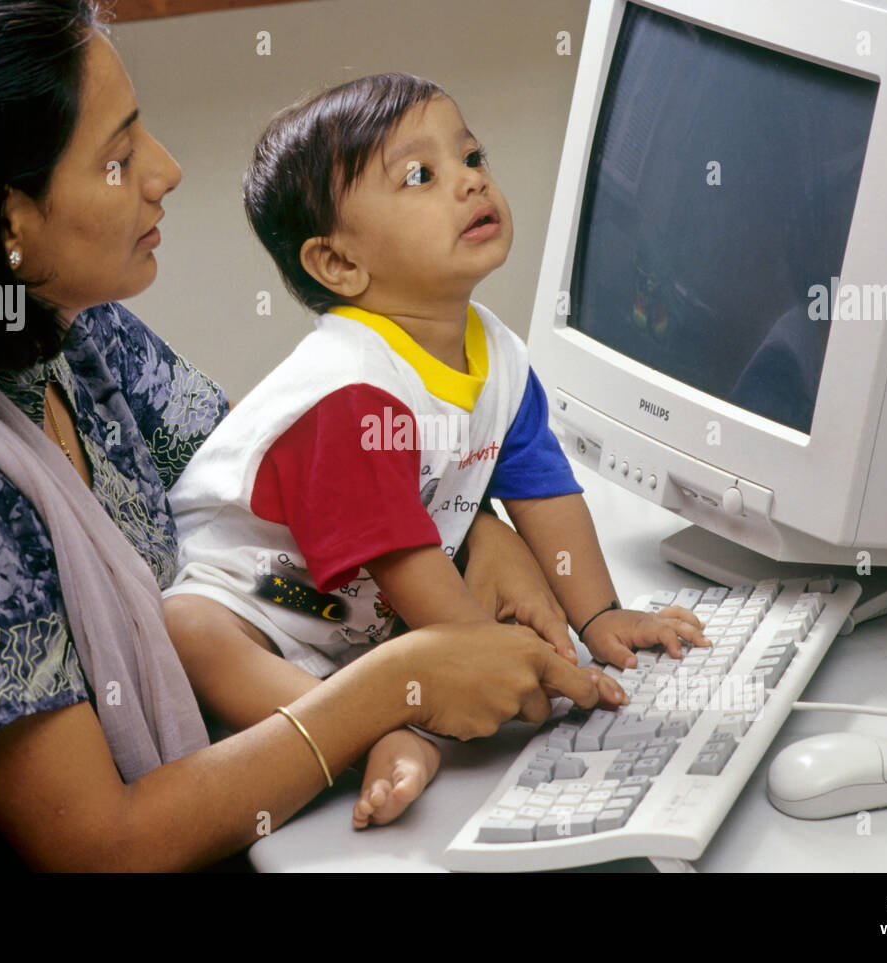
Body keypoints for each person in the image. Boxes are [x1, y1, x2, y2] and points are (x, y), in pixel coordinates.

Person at [0, 0, 604, 873]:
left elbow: (292, 516)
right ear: (8, 224)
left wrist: (484, 535)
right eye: (119, 158)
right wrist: (394, 690)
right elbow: (102, 846)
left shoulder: (77, 338)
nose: (165, 171)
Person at [162, 74, 709, 829]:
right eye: (420, 175)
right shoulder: (350, 391)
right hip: (256, 602)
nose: (469, 179)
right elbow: (403, 561)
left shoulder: (498, 353)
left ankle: (378, 709)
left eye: (471, 154)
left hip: (360, 619)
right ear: (339, 265)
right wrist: (486, 663)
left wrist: (601, 616)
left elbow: (543, 489)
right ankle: (366, 735)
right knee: (190, 632)